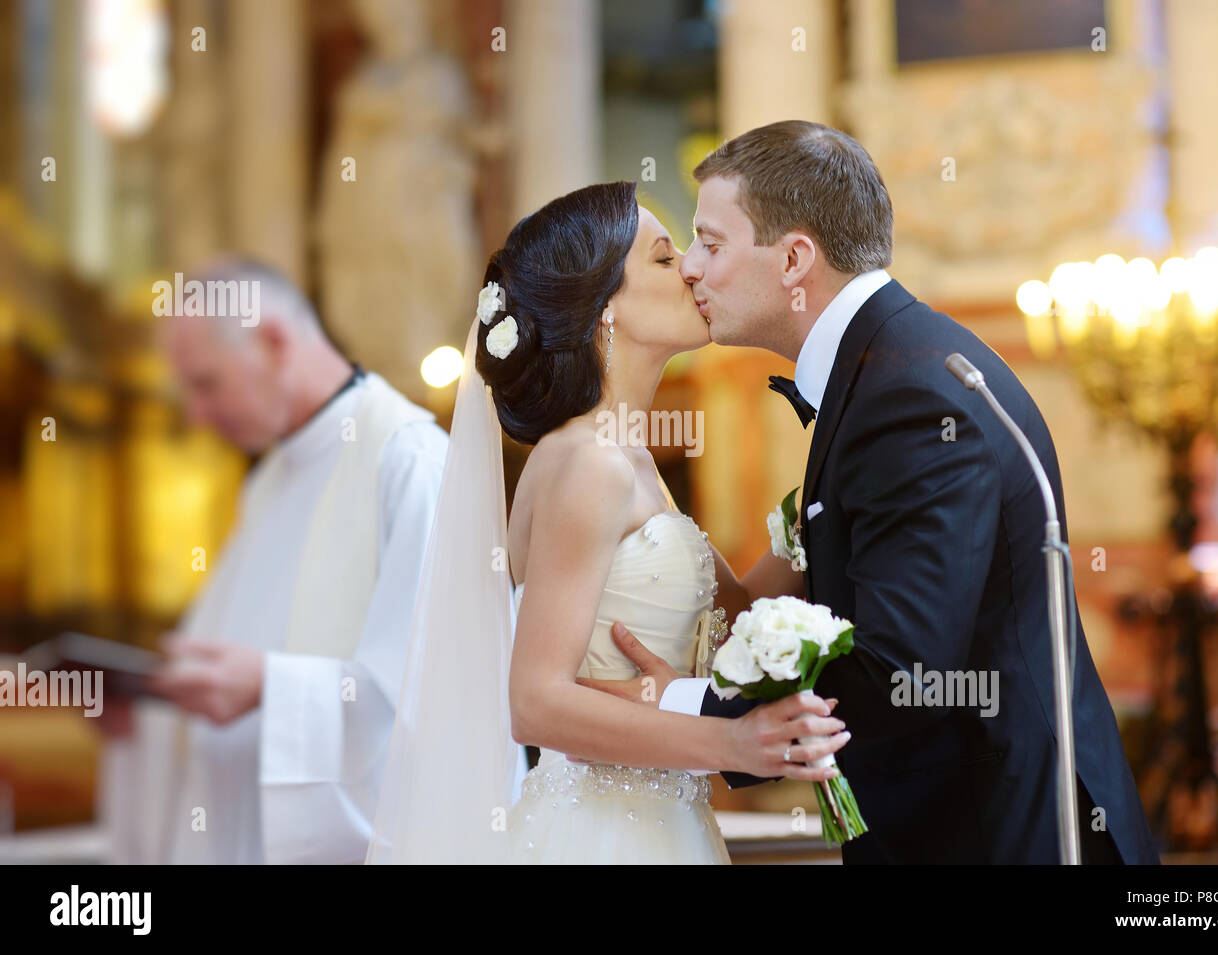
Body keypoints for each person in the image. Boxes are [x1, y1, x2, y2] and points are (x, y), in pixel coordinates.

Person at [587, 120, 1162, 865]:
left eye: (711, 241)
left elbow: (902, 673)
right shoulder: (893, 367)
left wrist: (691, 714)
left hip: (1005, 835)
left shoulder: (912, 398)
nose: (692, 267)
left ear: (795, 258)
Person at [367, 182, 850, 865]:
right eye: (662, 257)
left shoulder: (627, 457)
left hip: (663, 826)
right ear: (603, 314)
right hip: (600, 835)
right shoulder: (588, 463)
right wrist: (732, 744)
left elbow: (738, 615)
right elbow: (535, 701)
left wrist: (829, 492)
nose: (690, 267)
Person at [97, 259, 454, 864]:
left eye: (205, 384)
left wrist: (271, 686)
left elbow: (436, 703)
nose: (195, 416)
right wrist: (143, 706)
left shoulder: (408, 460)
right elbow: (221, 663)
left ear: (274, 341)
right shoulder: (265, 484)